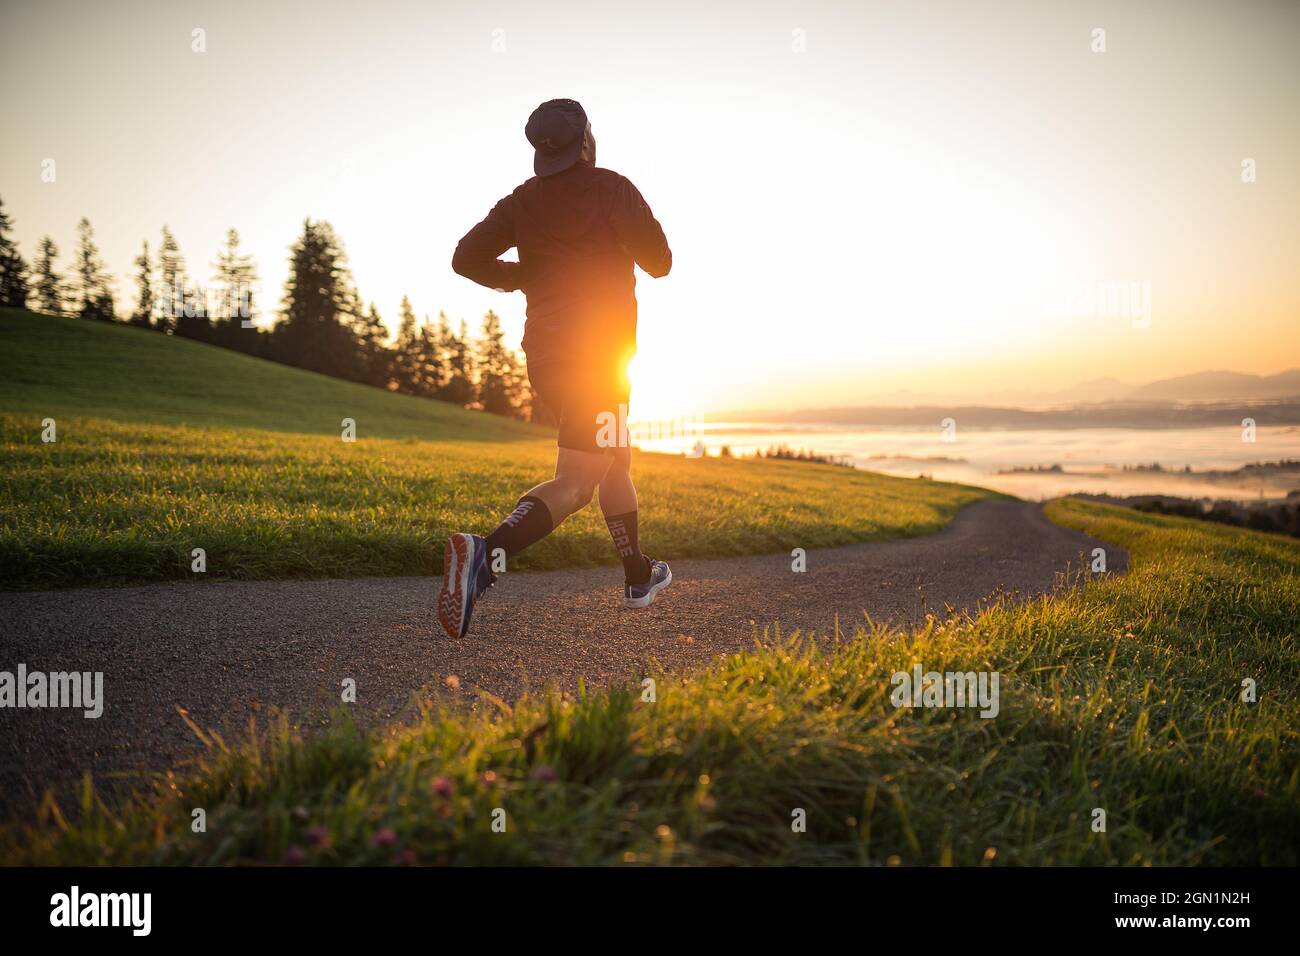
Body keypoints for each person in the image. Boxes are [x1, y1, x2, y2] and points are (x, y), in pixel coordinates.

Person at [439, 98, 673, 639]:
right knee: (577, 481)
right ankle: (485, 555)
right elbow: (661, 261)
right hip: (601, 358)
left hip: (545, 358)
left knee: (615, 457)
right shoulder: (612, 188)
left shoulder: (523, 201)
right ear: (587, 140)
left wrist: (526, 277)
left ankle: (639, 576)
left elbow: (465, 258)